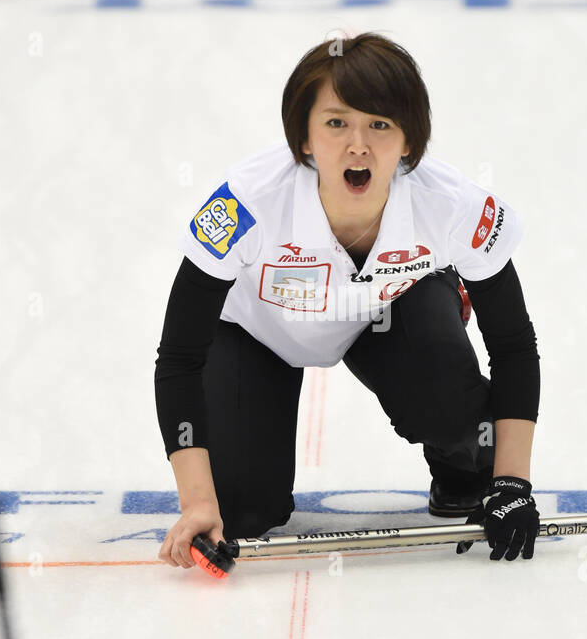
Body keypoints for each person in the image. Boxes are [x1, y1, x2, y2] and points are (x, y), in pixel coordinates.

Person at [155, 32, 540, 567]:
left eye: (380, 125)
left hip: (383, 312)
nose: (358, 144)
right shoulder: (245, 203)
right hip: (254, 332)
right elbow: (178, 358)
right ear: (304, 138)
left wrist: (512, 482)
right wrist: (197, 501)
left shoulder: (453, 207)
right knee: (241, 513)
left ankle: (464, 465)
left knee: (444, 392)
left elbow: (514, 344)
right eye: (336, 123)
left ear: (409, 141)